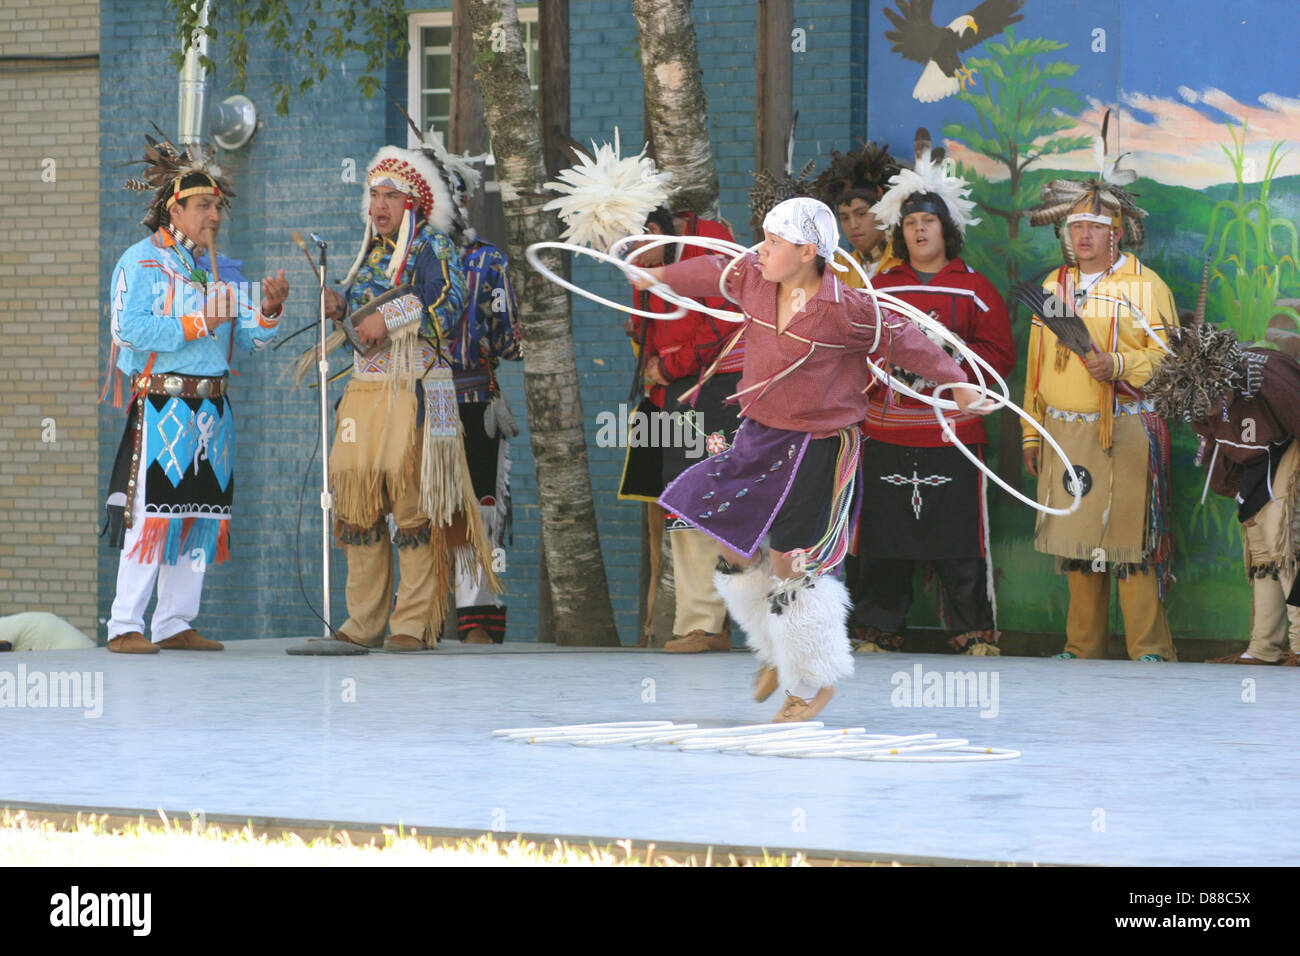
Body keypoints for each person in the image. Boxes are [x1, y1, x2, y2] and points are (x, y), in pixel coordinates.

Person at [633, 197, 988, 721]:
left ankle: (809, 682)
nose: (762, 249)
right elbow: (714, 269)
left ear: (805, 251)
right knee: (726, 537)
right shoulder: (754, 279)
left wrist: (955, 382)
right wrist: (658, 274)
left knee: (793, 563)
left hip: (818, 444)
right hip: (758, 435)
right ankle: (777, 652)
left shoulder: (846, 309)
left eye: (774, 242)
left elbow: (902, 338)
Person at [102, 130, 287, 654]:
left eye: (217, 206)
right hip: (163, 402)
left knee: (199, 516)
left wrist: (270, 310)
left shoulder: (224, 273)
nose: (214, 215)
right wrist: (196, 323)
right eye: (203, 205)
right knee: (151, 515)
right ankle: (124, 626)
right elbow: (128, 331)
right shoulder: (140, 262)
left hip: (212, 407)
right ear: (173, 210)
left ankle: (175, 623)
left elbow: (252, 339)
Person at [322, 144, 497, 652]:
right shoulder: (371, 254)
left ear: (413, 203)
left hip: (417, 390)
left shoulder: (433, 249)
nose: (378, 205)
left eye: (389, 196)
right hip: (367, 391)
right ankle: (363, 621)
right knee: (357, 503)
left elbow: (447, 305)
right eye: (373, 194)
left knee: (413, 507)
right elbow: (359, 327)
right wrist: (340, 308)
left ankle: (413, 623)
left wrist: (389, 317)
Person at [850, 152, 1016, 655]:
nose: (921, 231)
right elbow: (858, 349)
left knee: (960, 536)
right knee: (881, 536)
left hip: (954, 434)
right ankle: (877, 629)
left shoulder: (976, 291)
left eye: (930, 222)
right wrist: (889, 368)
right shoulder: (881, 289)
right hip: (887, 428)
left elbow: (999, 354)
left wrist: (952, 363)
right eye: (912, 224)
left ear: (948, 230)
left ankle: (972, 633)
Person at [1021, 153, 1179, 662]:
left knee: (1131, 546)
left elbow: (1170, 360)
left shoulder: (1143, 285)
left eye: (1095, 225)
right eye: (1075, 226)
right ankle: (1081, 647)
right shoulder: (1053, 288)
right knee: (1077, 544)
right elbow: (1036, 367)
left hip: (1127, 429)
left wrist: (1119, 364)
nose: (1083, 235)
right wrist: (1031, 432)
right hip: (1062, 432)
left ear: (1118, 230)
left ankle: (1148, 649)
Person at [622, 207, 744, 653]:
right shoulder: (655, 256)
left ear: (653, 230)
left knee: (715, 502)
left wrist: (667, 365)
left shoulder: (709, 244)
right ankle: (701, 624)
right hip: (672, 394)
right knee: (684, 506)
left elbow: (723, 324)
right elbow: (647, 328)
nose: (635, 258)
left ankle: (723, 622)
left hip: (720, 389)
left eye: (636, 247)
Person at [1146, 323, 1300, 666]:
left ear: (1225, 382)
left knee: (1285, 540)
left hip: (1291, 449)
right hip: (1259, 461)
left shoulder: (1271, 380)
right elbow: (1217, 446)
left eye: (1214, 403)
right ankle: (1265, 649)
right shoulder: (1192, 399)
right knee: (1261, 549)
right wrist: (1229, 483)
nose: (1210, 413)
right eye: (1200, 409)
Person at [440, 152, 523, 644]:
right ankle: (423, 619)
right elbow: (510, 340)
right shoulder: (482, 260)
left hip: (471, 403)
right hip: (426, 400)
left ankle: (475, 625)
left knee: (477, 511)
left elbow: (508, 341)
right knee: (424, 511)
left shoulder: (486, 260)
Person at [814, 141, 905, 285]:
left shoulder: (906, 261)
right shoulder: (837, 269)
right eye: (844, 218)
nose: (853, 225)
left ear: (885, 211)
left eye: (862, 214)